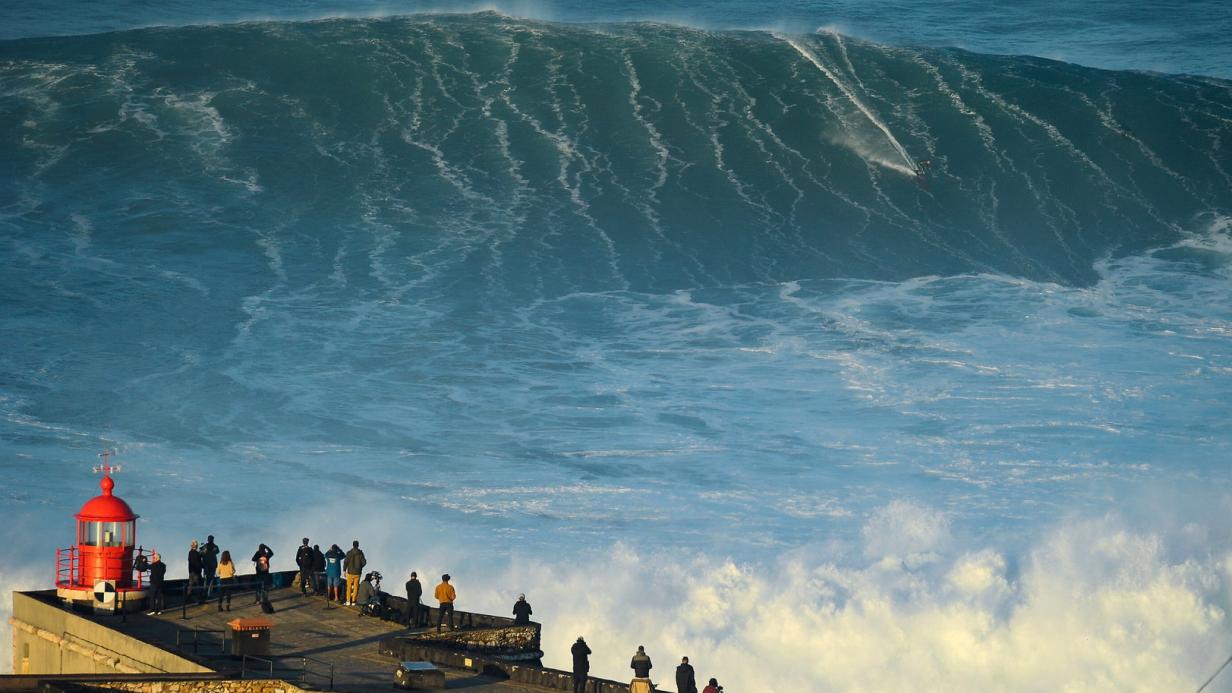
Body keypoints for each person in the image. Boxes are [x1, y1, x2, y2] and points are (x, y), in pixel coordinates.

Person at [343, 540, 366, 606]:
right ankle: (353, 601)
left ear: (353, 545)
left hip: (350, 572)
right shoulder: (360, 553)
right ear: (358, 545)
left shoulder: (349, 553)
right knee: (356, 587)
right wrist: (360, 567)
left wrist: (344, 570)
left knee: (349, 587)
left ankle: (348, 601)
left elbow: (345, 562)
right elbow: (364, 562)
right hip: (357, 573)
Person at [187, 540, 205, 604]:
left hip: (191, 572)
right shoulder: (196, 553)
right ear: (196, 545)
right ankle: (199, 600)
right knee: (199, 586)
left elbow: (191, 562)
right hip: (196, 572)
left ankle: (188, 599)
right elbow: (198, 563)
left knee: (190, 586)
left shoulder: (190, 552)